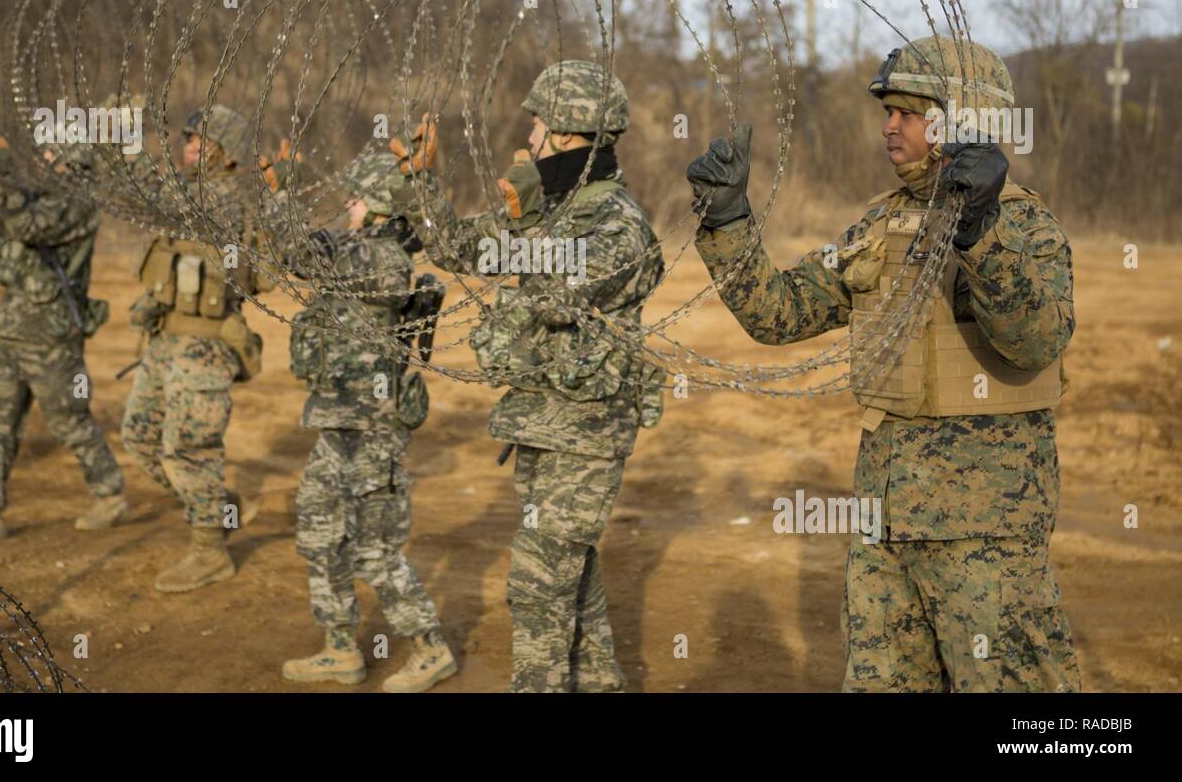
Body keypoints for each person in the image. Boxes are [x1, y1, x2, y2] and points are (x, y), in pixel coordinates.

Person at [686, 36, 1080, 692]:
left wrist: (978, 231)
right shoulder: (881, 224)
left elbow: (1036, 339)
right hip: (884, 526)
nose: (889, 126)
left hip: (984, 532)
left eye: (908, 111)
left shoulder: (1022, 225)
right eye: (886, 111)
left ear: (963, 120)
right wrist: (728, 219)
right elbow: (780, 313)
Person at [387, 61, 666, 692]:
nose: (529, 138)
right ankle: (599, 682)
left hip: (588, 431)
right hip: (544, 420)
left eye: (538, 126)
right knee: (572, 568)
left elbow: (554, 294)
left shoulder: (618, 224)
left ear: (569, 135)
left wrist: (528, 210)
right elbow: (460, 249)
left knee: (539, 579)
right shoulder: (554, 210)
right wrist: (423, 187)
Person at [280, 151, 455, 692]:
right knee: (319, 528)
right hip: (339, 420)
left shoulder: (380, 261)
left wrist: (283, 193)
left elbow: (299, 251)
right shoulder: (363, 252)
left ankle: (430, 647)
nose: (348, 208)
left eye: (356, 200)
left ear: (380, 208)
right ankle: (339, 647)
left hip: (372, 427)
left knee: (373, 546)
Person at [119, 105, 273, 593]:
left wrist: (124, 141)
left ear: (225, 153)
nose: (187, 147)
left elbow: (157, 193)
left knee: (187, 447)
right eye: (186, 138)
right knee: (141, 439)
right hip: (166, 337)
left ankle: (210, 551)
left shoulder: (229, 202)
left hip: (205, 345)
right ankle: (220, 504)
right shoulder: (189, 192)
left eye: (198, 140)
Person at [0, 137, 126, 542]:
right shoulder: (38, 198)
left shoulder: (76, 205)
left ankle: (110, 493)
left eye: (53, 154)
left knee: (68, 420)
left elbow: (24, 224)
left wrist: (3, 176)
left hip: (51, 336)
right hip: (12, 328)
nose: (44, 159)